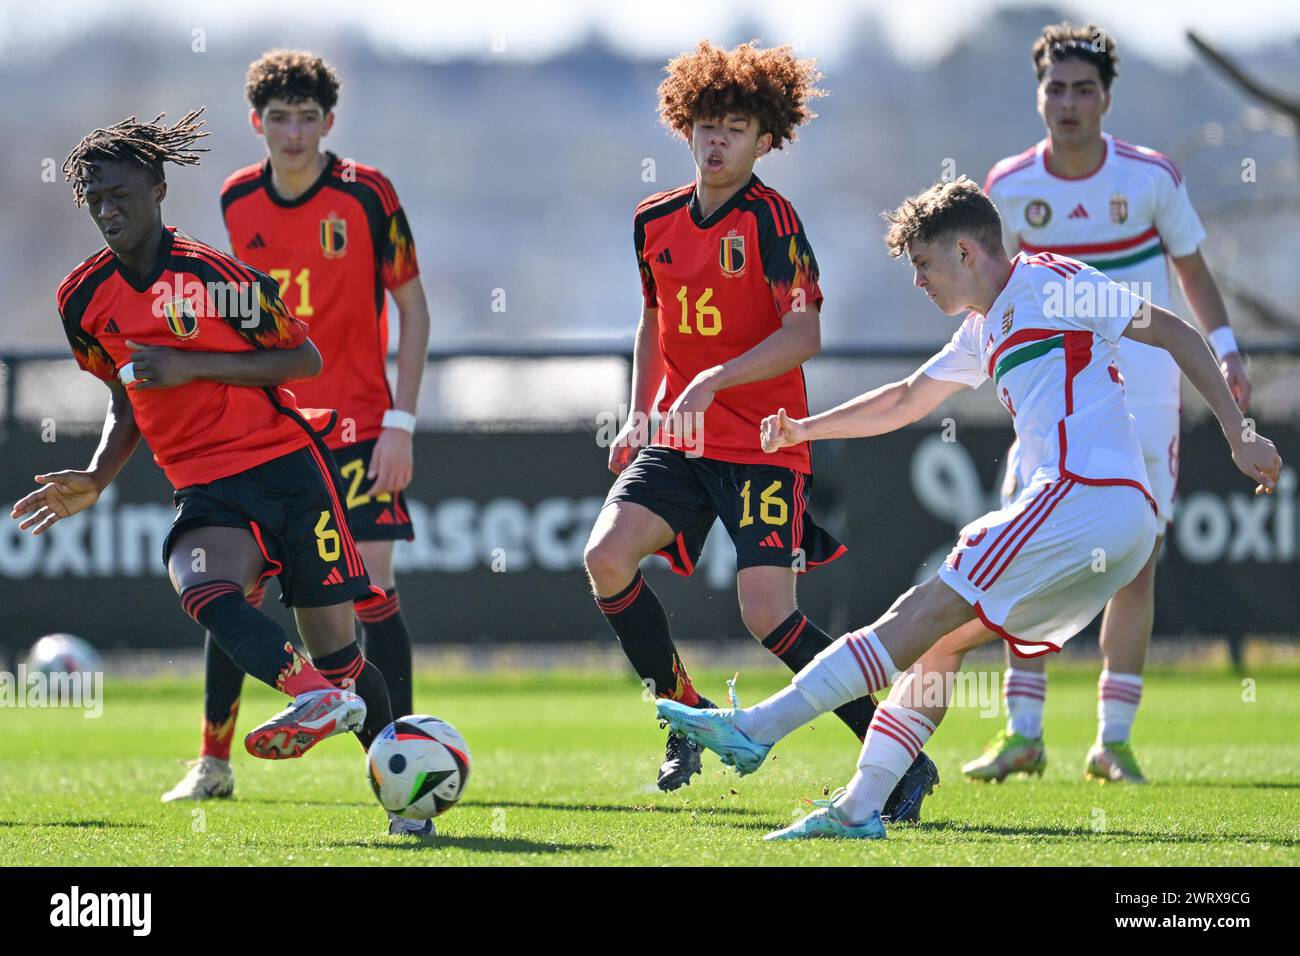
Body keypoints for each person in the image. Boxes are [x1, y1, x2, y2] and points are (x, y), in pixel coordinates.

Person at [657, 177, 1280, 840]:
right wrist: (804, 430)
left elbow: (1176, 331)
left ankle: (757, 729)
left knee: (916, 614)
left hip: (1087, 494)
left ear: (964, 251)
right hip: (1102, 517)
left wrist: (1239, 431)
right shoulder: (982, 330)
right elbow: (904, 399)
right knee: (940, 642)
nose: (919, 282)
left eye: (923, 264)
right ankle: (858, 810)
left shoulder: (1051, 280)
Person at [11, 110, 414, 836]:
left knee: (347, 660)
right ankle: (306, 696)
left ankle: (407, 796)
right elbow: (124, 397)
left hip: (289, 471)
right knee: (200, 582)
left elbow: (304, 360)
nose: (108, 210)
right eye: (95, 198)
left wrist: (191, 362)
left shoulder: (216, 278)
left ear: (159, 190)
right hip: (205, 488)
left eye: (122, 194)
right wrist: (100, 476)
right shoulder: (81, 299)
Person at [584, 40, 937, 819]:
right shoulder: (653, 221)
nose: (717, 142)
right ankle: (681, 713)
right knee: (606, 558)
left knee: (765, 613)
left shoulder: (774, 220)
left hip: (765, 442)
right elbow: (652, 319)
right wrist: (645, 410)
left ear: (765, 139)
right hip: (682, 438)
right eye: (707, 126)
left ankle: (900, 758)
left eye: (736, 128)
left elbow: (803, 334)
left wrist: (715, 379)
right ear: (685, 128)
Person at [961, 22, 1252, 785]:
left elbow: (1192, 273)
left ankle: (1112, 740)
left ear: (1106, 98)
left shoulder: (1151, 176)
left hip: (1148, 387)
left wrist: (1224, 351)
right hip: (1051, 392)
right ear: (1039, 95)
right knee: (1021, 548)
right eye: (1054, 87)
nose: (1067, 102)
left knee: (1136, 558)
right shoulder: (1010, 186)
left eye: (1082, 88)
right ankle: (1023, 732)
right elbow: (989, 292)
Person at [162, 50, 430, 822]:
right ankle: (213, 761)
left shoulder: (368, 194)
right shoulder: (236, 198)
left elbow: (414, 310)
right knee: (232, 585)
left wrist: (400, 425)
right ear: (257, 122)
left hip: (359, 435)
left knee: (371, 591)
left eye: (307, 118)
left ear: (328, 123)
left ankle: (401, 756)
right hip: (268, 436)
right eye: (278, 117)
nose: (292, 131)